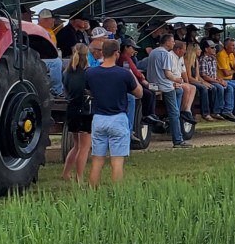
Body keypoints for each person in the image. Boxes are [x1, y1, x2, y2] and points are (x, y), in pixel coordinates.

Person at [86, 38, 142, 186]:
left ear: (102, 53)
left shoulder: (91, 73)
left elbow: (87, 90)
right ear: (117, 53)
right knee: (117, 161)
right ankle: (117, 193)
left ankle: (92, 193)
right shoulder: (123, 74)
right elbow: (139, 93)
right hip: (117, 118)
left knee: (97, 160)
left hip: (98, 118)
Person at [144, 32, 190, 148]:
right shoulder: (166, 54)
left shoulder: (153, 52)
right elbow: (168, 74)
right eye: (173, 41)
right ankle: (178, 139)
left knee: (179, 91)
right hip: (164, 86)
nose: (174, 43)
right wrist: (177, 80)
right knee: (174, 113)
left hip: (152, 85)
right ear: (167, 42)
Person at [60, 43, 93, 182]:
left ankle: (66, 173)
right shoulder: (88, 73)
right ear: (87, 57)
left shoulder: (66, 73)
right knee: (85, 147)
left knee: (76, 145)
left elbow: (66, 90)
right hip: (84, 110)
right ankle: (80, 177)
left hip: (72, 109)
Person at [197, 42, 227, 120]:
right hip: (207, 80)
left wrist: (219, 79)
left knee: (227, 86)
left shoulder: (213, 59)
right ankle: (215, 111)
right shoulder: (203, 59)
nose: (215, 49)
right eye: (212, 48)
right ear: (206, 49)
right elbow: (204, 76)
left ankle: (225, 110)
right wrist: (218, 82)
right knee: (219, 87)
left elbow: (214, 74)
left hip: (213, 80)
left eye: (215, 47)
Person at [170, 40, 197, 123]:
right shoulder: (170, 56)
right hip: (172, 81)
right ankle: (182, 111)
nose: (185, 51)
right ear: (178, 50)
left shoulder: (180, 57)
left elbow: (183, 71)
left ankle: (187, 110)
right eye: (184, 49)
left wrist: (187, 82)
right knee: (187, 88)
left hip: (179, 80)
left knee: (193, 87)